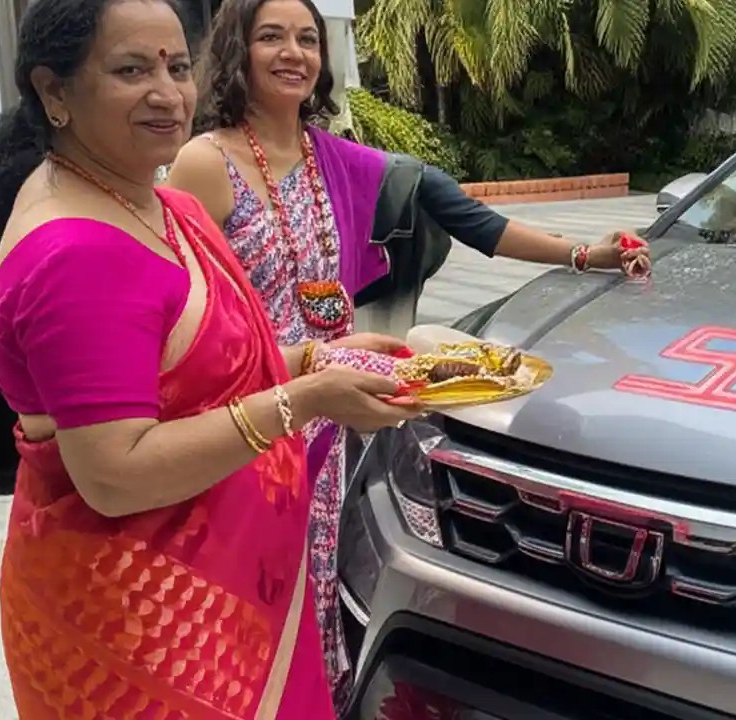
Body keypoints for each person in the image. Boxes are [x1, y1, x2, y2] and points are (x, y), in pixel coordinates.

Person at [167, 0, 653, 705]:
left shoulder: (340, 160)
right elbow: (179, 316)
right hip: (251, 416)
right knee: (246, 603)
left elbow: (474, 221)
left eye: (308, 38)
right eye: (270, 36)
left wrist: (585, 254)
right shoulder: (202, 163)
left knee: (321, 592)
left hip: (330, 427)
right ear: (235, 50)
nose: (293, 53)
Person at [0, 0, 426, 716]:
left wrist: (316, 356)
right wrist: (306, 400)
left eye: (177, 66)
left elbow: (204, 375)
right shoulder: (74, 255)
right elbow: (115, 473)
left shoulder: (160, 206)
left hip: (233, 591)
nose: (167, 93)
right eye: (131, 70)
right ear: (53, 91)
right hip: (142, 626)